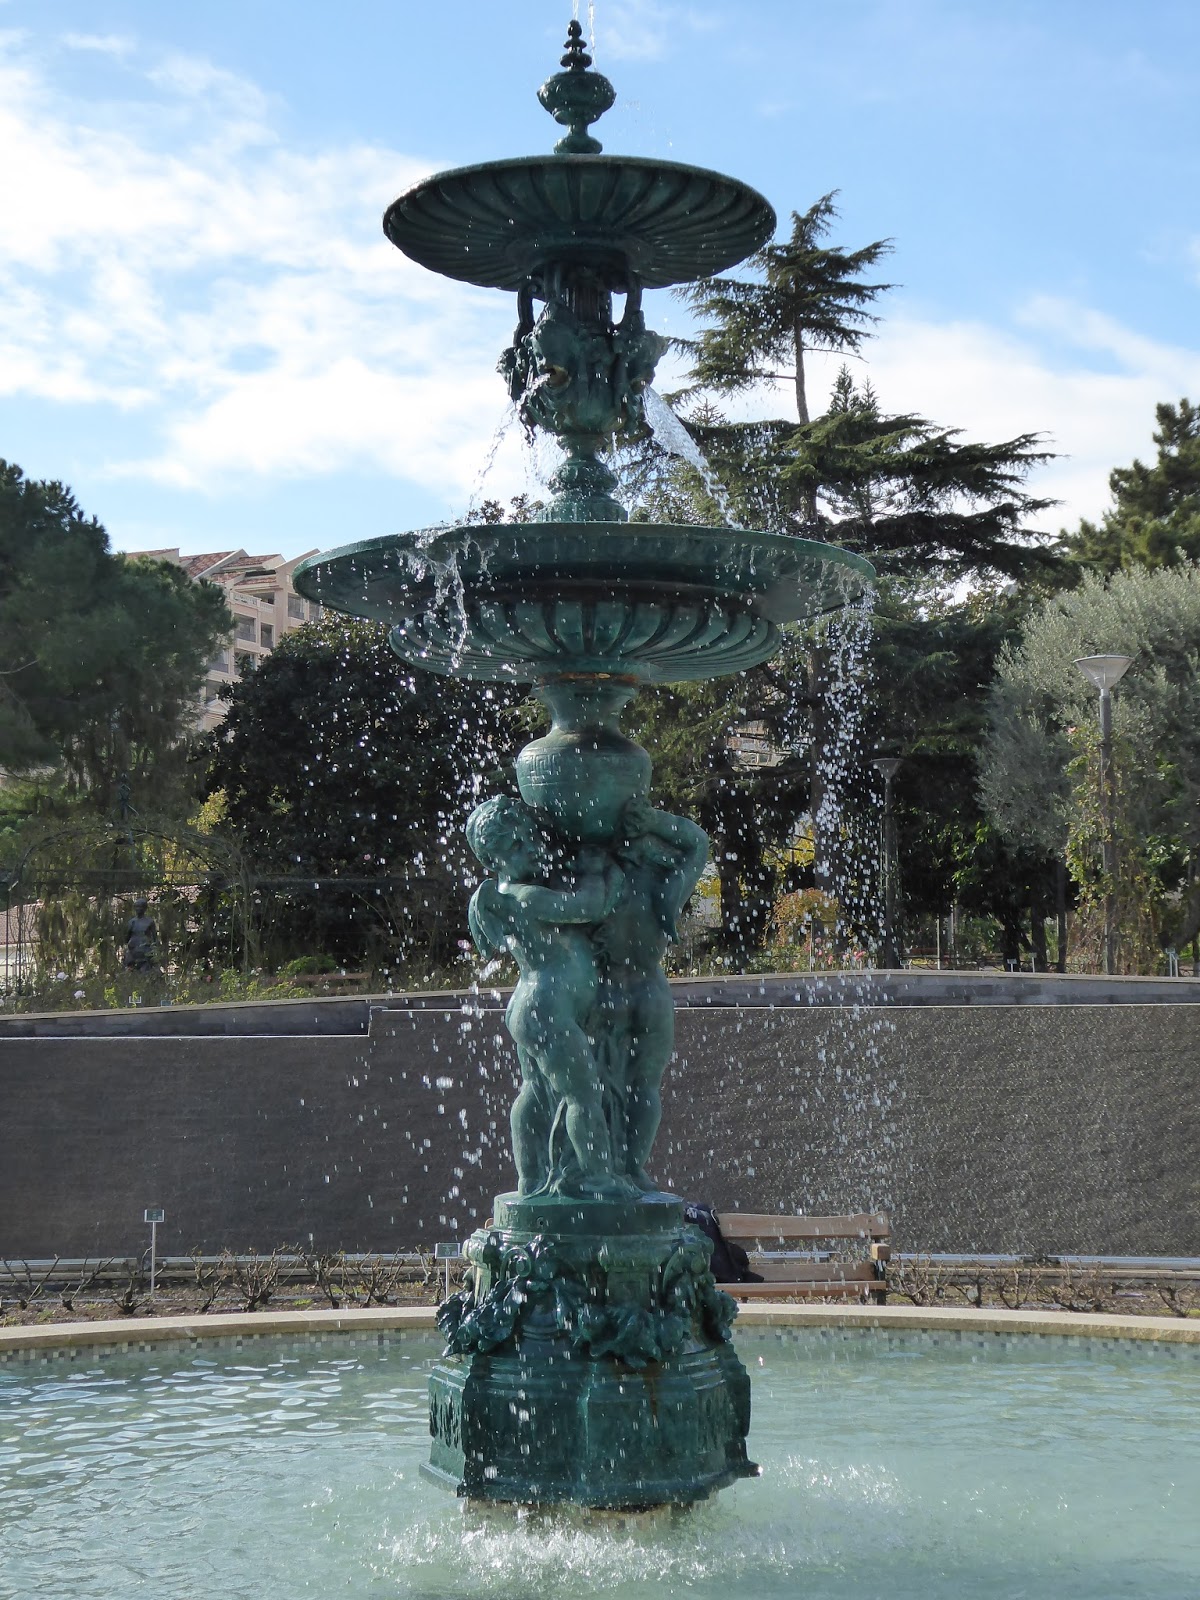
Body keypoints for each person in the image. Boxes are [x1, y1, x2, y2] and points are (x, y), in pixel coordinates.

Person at [466, 796, 630, 1199]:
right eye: (515, 847)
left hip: (535, 1006)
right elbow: (587, 907)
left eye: (527, 838)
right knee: (583, 1095)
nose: (529, 848)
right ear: (494, 859)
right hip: (545, 1008)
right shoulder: (526, 896)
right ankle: (599, 1179)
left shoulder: (519, 889)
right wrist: (596, 869)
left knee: (536, 1095)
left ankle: (531, 1179)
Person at [594, 797, 709, 1188]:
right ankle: (631, 1169)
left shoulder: (593, 878)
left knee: (599, 1084)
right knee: (642, 1085)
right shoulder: (667, 882)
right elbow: (698, 843)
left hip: (603, 988)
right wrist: (657, 821)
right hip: (648, 987)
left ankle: (607, 1170)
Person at [123, 899, 158, 974]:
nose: (138, 908)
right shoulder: (132, 922)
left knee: (146, 972)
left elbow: (155, 938)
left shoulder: (150, 921)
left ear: (145, 908)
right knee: (131, 972)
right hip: (133, 950)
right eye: (137, 906)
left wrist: (154, 950)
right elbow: (127, 937)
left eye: (141, 906)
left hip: (145, 950)